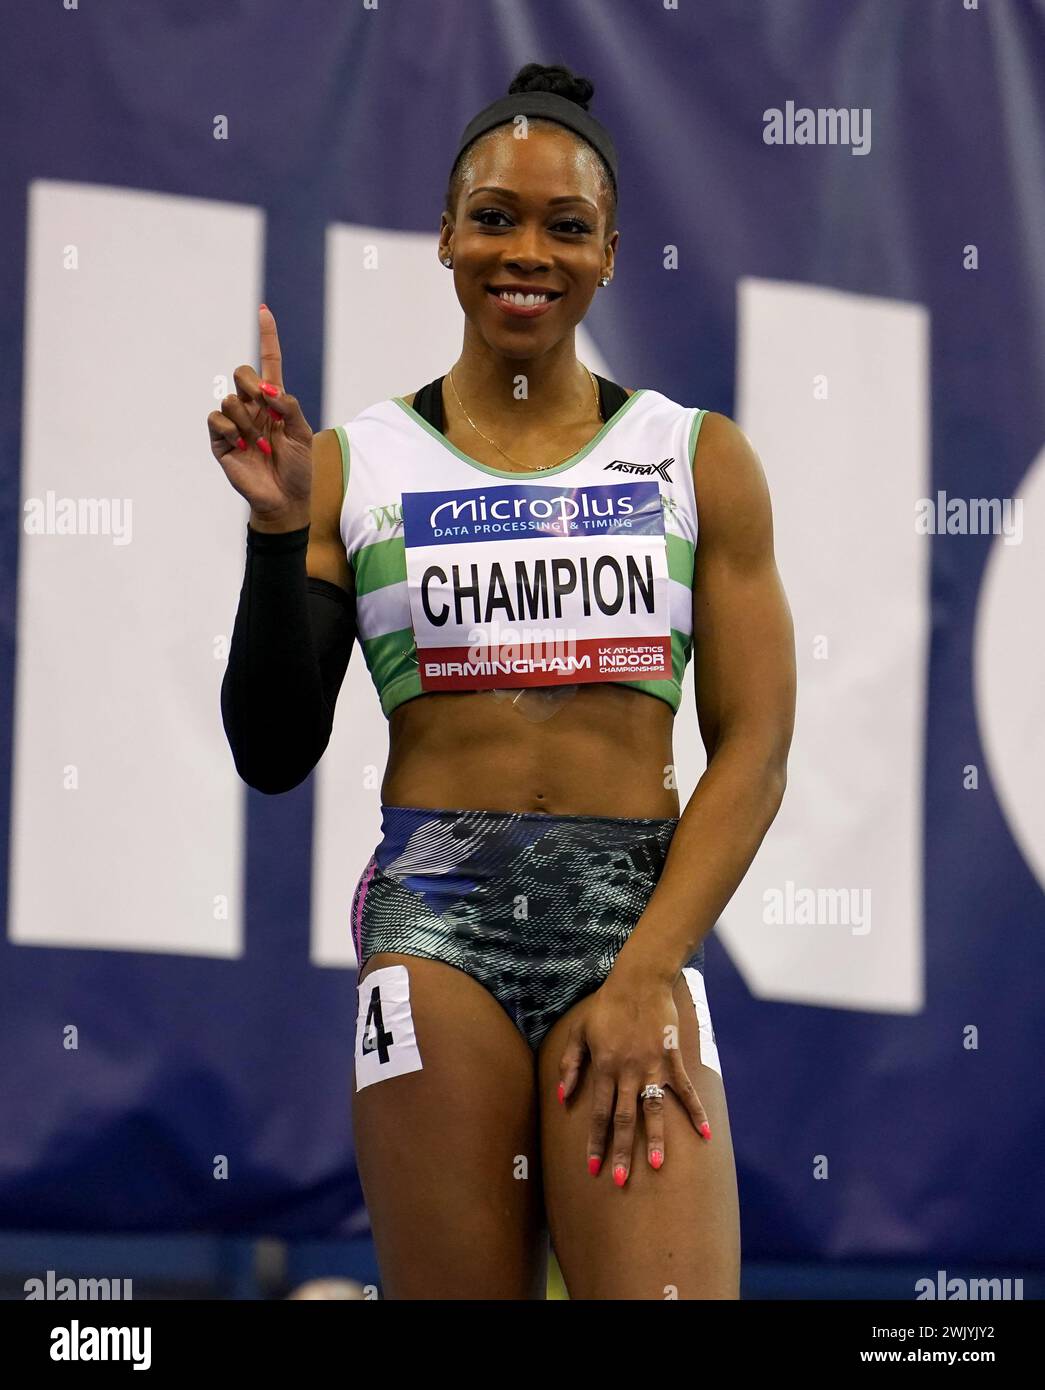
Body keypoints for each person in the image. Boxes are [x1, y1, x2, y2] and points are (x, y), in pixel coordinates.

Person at [212, 62, 796, 1300]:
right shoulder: (353, 461)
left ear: (610, 253)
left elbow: (753, 752)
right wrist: (277, 534)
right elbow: (271, 751)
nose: (524, 250)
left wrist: (646, 969)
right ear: (444, 236)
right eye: (493, 216)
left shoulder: (695, 459)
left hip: (630, 919)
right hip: (438, 910)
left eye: (563, 226)